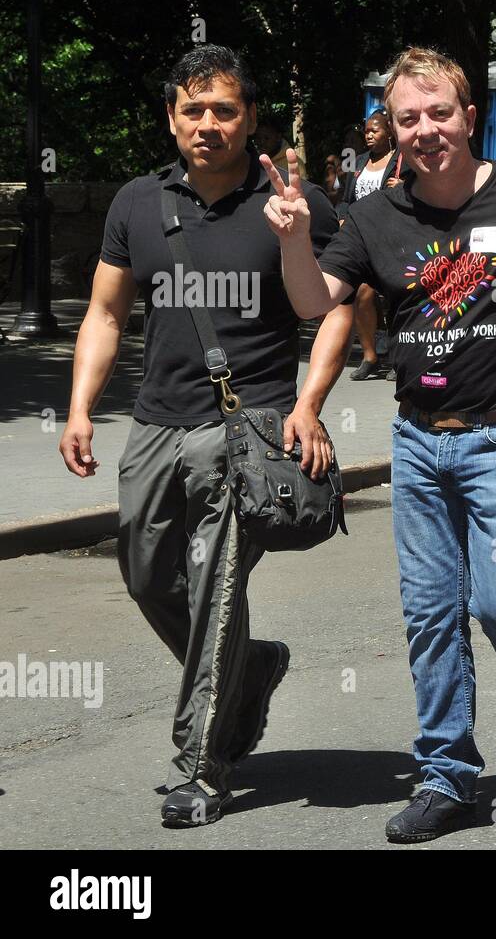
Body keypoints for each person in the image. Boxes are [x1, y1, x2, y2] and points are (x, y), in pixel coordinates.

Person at [260, 46, 496, 843]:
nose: (425, 130)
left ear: (468, 115)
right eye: (408, 118)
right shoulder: (377, 217)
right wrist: (291, 238)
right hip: (420, 442)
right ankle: (448, 774)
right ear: (393, 126)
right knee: (429, 615)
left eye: (439, 113)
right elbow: (319, 299)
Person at [58, 44, 352, 827]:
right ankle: (252, 667)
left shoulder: (294, 200)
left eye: (225, 109)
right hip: (156, 420)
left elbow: (337, 308)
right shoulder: (137, 204)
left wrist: (311, 402)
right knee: (150, 576)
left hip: (247, 424)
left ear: (250, 116)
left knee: (217, 584)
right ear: (171, 117)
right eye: (194, 110)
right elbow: (106, 313)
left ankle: (201, 764)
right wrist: (81, 405)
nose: (209, 124)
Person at [338, 107, 406, 381]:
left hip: (393, 236)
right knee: (362, 295)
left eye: (374, 130)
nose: (368, 136)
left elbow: (421, 190)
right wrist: (342, 218)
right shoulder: (359, 162)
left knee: (395, 299)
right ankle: (370, 357)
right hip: (364, 238)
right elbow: (345, 199)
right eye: (366, 131)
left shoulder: (402, 160)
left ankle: (397, 359)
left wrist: (402, 184)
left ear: (389, 131)